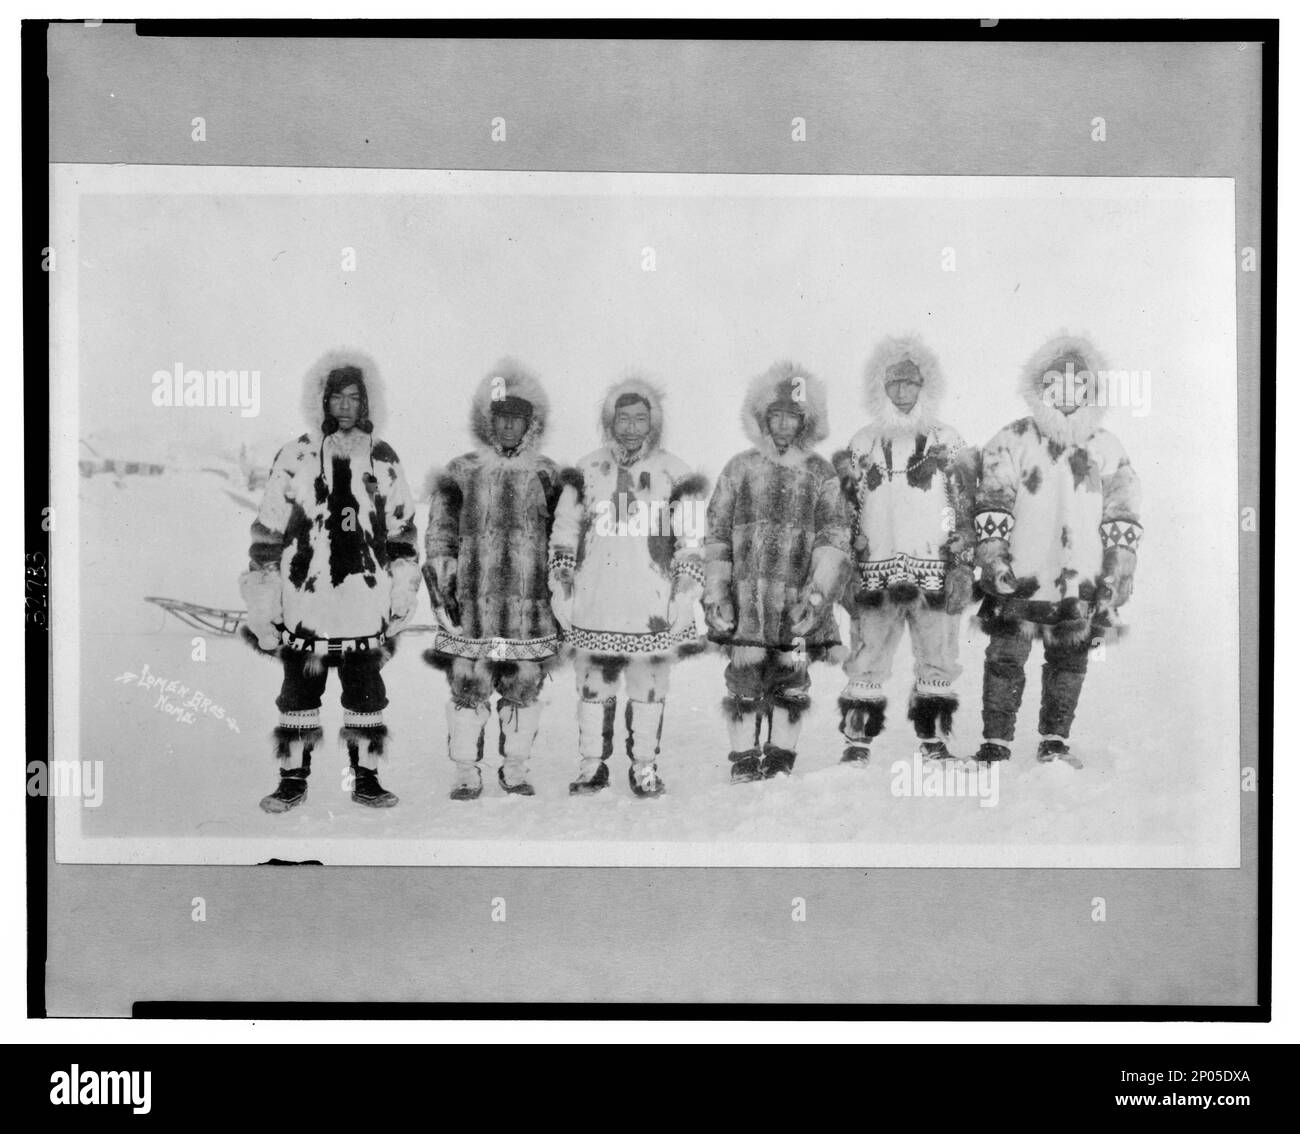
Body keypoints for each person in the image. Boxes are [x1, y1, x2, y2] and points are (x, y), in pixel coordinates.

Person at [240, 349, 420, 813]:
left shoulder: (383, 459)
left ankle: (367, 779)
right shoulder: (296, 455)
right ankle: (291, 779)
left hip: (364, 603)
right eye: (336, 397)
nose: (344, 406)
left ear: (367, 403)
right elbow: (268, 532)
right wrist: (264, 598)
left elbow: (402, 533)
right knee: (299, 693)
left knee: (366, 695)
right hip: (308, 604)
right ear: (321, 401)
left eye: (354, 398)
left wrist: (401, 590)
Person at [973, 332, 1143, 767]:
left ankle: (1054, 739)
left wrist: (1117, 569)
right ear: (1041, 386)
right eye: (1056, 382)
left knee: (1069, 659)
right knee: (1005, 657)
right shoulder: (1012, 439)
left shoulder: (1107, 447)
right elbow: (992, 498)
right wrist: (993, 556)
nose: (1066, 392)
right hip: (1023, 571)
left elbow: (1121, 513)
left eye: (1076, 383)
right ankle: (996, 742)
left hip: (1079, 575)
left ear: (1089, 389)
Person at [548, 376, 708, 797]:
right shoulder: (585, 470)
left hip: (651, 601)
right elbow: (564, 531)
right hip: (596, 597)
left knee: (649, 686)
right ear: (610, 420)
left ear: (653, 422)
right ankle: (591, 765)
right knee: (592, 684)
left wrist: (686, 593)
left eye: (641, 418)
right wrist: (562, 583)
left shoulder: (676, 472)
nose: (632, 426)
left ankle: (645, 767)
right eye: (624, 418)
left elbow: (691, 540)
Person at [832, 335, 978, 764]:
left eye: (910, 383)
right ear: (880, 387)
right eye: (893, 383)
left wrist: (961, 562)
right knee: (867, 654)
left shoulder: (946, 440)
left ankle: (933, 740)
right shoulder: (862, 442)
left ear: (924, 386)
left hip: (933, 567)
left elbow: (963, 504)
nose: (901, 391)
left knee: (938, 656)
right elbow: (846, 511)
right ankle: (857, 741)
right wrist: (848, 568)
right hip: (877, 570)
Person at [704, 361, 852, 782]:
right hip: (746, 602)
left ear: (806, 421)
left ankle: (782, 759)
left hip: (797, 600)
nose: (785, 423)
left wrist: (818, 594)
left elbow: (834, 538)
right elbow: (716, 535)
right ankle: (745, 760)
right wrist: (717, 592)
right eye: (777, 414)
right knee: (743, 680)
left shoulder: (820, 473)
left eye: (793, 415)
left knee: (792, 678)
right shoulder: (740, 468)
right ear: (763, 417)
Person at [423, 360, 565, 800]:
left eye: (517, 418)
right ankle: (466, 770)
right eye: (500, 417)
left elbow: (564, 538)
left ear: (530, 422)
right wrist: (444, 587)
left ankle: (516, 766)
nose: (508, 426)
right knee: (469, 688)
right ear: (487, 420)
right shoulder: (462, 470)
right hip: (473, 609)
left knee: (523, 688)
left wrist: (560, 596)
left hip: (528, 611)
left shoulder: (546, 473)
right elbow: (440, 535)